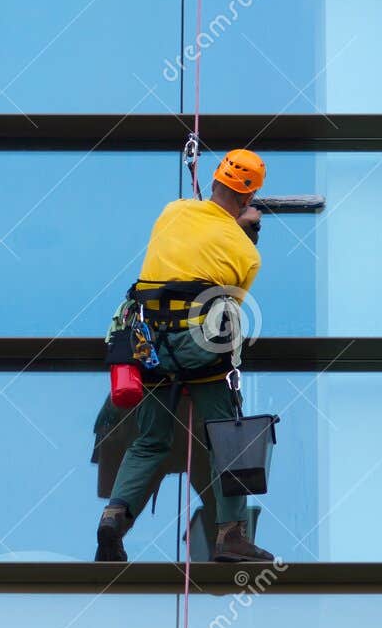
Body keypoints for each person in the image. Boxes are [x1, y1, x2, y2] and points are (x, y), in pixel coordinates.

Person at [94, 148, 272, 564]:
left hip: (151, 345)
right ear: (247, 201)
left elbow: (196, 224)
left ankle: (114, 517)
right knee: (225, 438)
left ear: (213, 183)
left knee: (151, 441)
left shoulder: (173, 211)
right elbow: (229, 300)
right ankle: (231, 537)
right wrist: (242, 232)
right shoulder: (247, 253)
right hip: (201, 352)